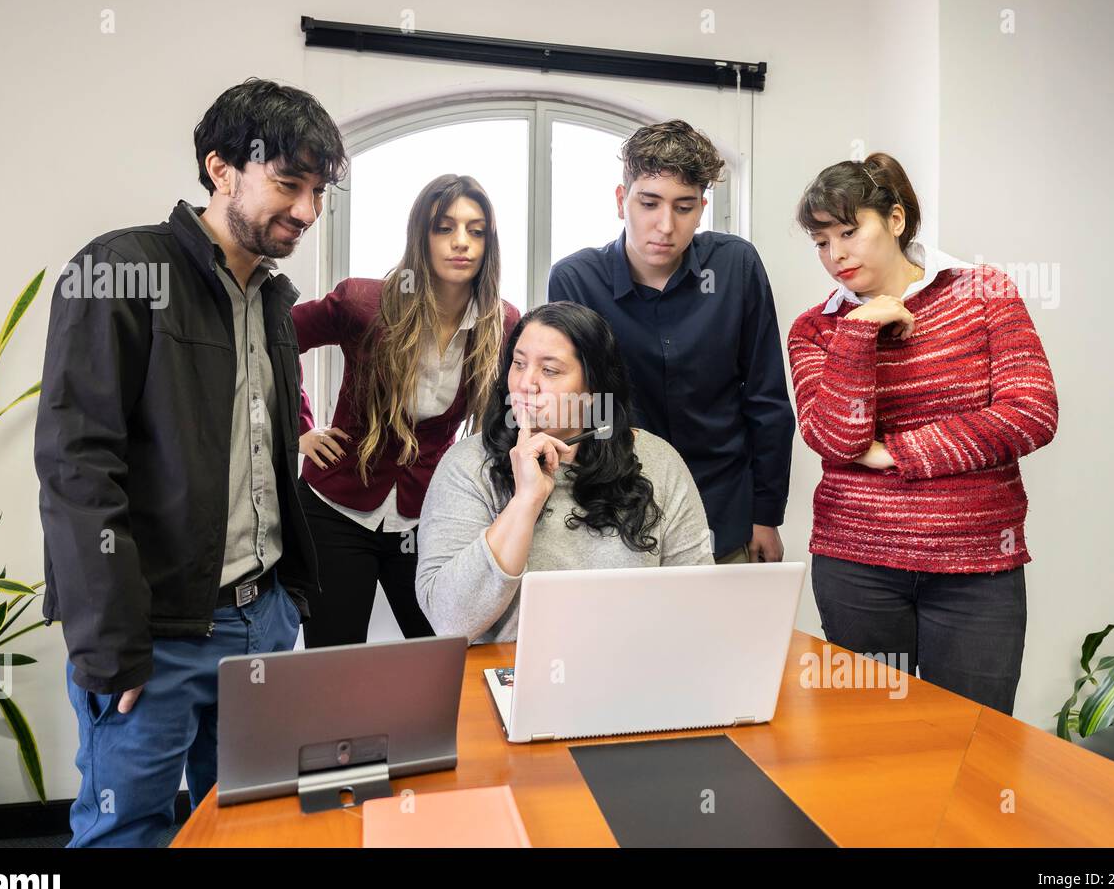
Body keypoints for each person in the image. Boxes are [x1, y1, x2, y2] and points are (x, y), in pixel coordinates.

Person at [34, 78, 346, 846]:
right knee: (126, 832)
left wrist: (289, 608)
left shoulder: (275, 300)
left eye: (316, 191)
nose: (306, 210)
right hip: (158, 633)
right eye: (287, 183)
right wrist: (112, 645)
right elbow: (77, 469)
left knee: (252, 831)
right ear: (220, 167)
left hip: (264, 623)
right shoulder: (118, 270)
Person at [787, 151, 1059, 714]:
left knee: (976, 745)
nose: (835, 255)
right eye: (820, 242)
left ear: (894, 220)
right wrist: (859, 331)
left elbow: (1031, 413)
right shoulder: (817, 328)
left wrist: (896, 455)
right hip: (857, 564)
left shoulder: (984, 292)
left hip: (976, 566)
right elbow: (834, 439)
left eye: (848, 231)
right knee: (874, 748)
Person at [547, 119, 795, 566]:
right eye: (649, 203)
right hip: (617, 512)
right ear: (622, 201)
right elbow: (576, 407)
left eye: (684, 207)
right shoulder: (576, 278)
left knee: (730, 637)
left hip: (726, 511)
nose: (665, 225)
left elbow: (767, 400)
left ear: (702, 209)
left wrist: (765, 514)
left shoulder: (736, 266)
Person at [292, 175, 521, 646]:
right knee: (334, 665)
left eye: (476, 231)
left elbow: (516, 402)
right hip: (334, 507)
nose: (462, 242)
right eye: (445, 228)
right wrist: (299, 428)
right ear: (422, 235)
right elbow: (275, 339)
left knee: (448, 649)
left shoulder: (503, 322)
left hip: (428, 514)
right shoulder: (363, 302)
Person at [415, 301, 714, 642]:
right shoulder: (468, 465)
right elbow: (450, 621)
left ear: (592, 391)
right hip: (511, 675)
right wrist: (525, 502)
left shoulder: (657, 460)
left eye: (550, 371)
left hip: (633, 669)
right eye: (519, 364)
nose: (527, 383)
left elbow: (696, 599)